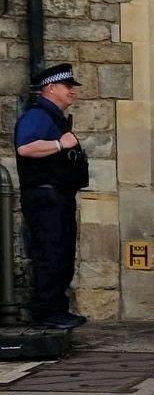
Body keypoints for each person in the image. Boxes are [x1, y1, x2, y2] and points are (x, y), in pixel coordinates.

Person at [14, 63, 90, 329]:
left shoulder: (53, 116)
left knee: (61, 254)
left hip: (58, 197)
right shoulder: (38, 115)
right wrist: (60, 144)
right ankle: (47, 313)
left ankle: (57, 310)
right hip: (45, 198)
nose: (73, 92)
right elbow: (25, 148)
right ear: (51, 88)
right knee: (51, 254)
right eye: (68, 86)